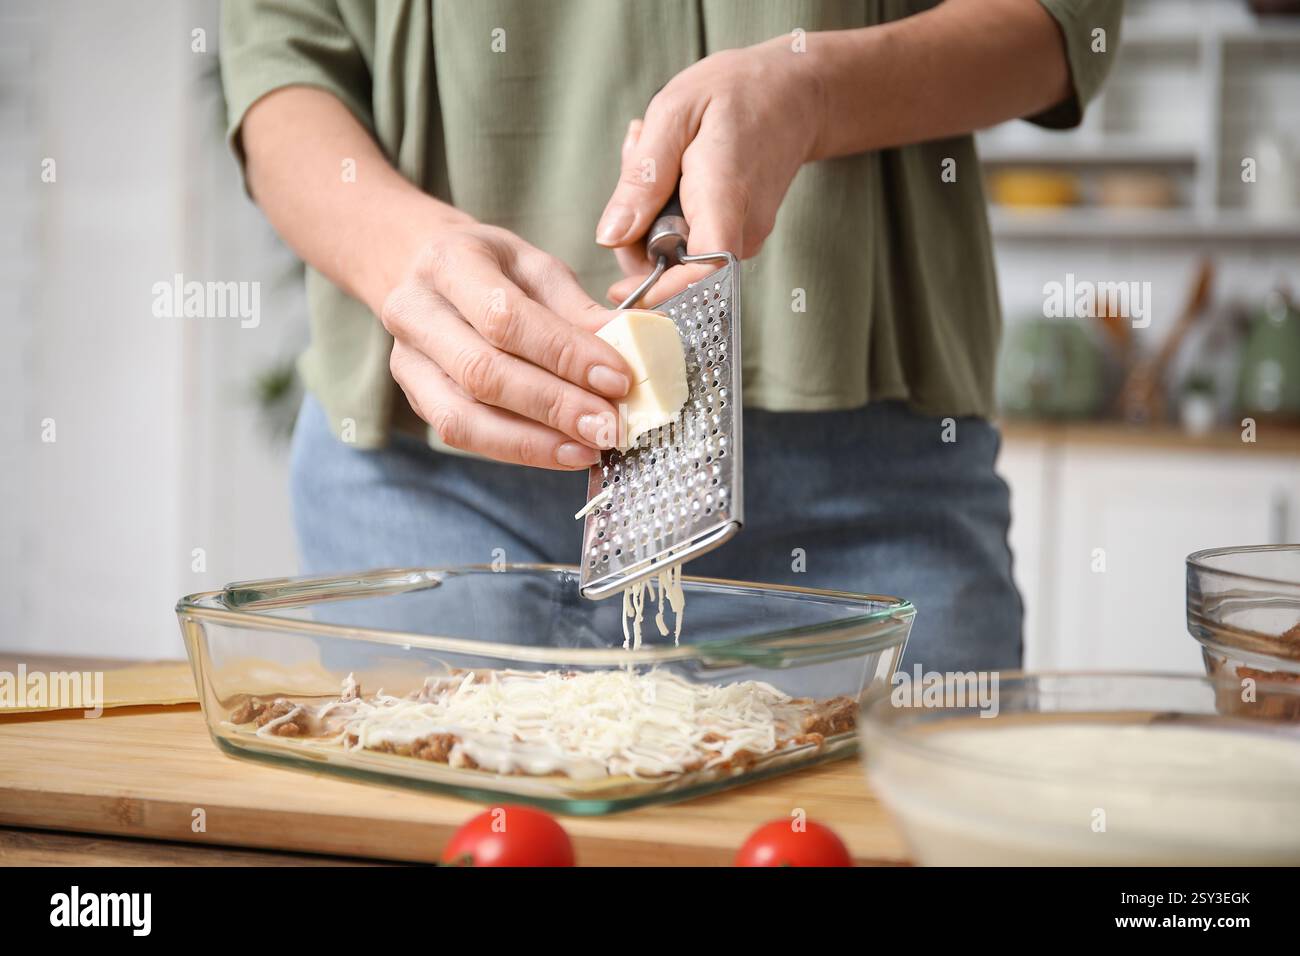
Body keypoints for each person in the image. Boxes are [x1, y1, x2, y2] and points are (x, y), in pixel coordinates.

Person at [220, 0, 1121, 672]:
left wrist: (814, 88)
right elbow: (279, 59)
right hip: (438, 499)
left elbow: (1067, 23)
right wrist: (406, 255)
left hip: (864, 495)